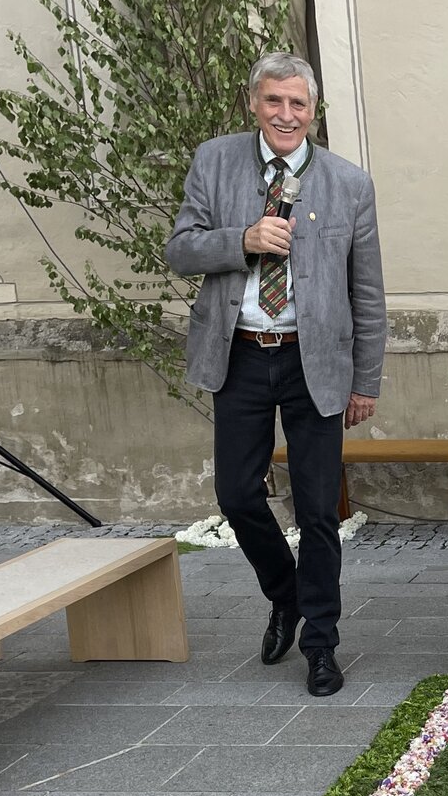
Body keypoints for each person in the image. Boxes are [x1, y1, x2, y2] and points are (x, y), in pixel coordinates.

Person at [165, 52, 384, 697]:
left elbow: (367, 290)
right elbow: (180, 250)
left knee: (318, 510)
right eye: (274, 102)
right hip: (239, 355)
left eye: (298, 104)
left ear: (313, 111)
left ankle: (320, 643)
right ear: (254, 104)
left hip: (315, 362)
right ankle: (285, 593)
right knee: (237, 495)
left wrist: (366, 381)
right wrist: (242, 240)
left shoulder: (349, 183)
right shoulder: (215, 161)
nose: (286, 115)